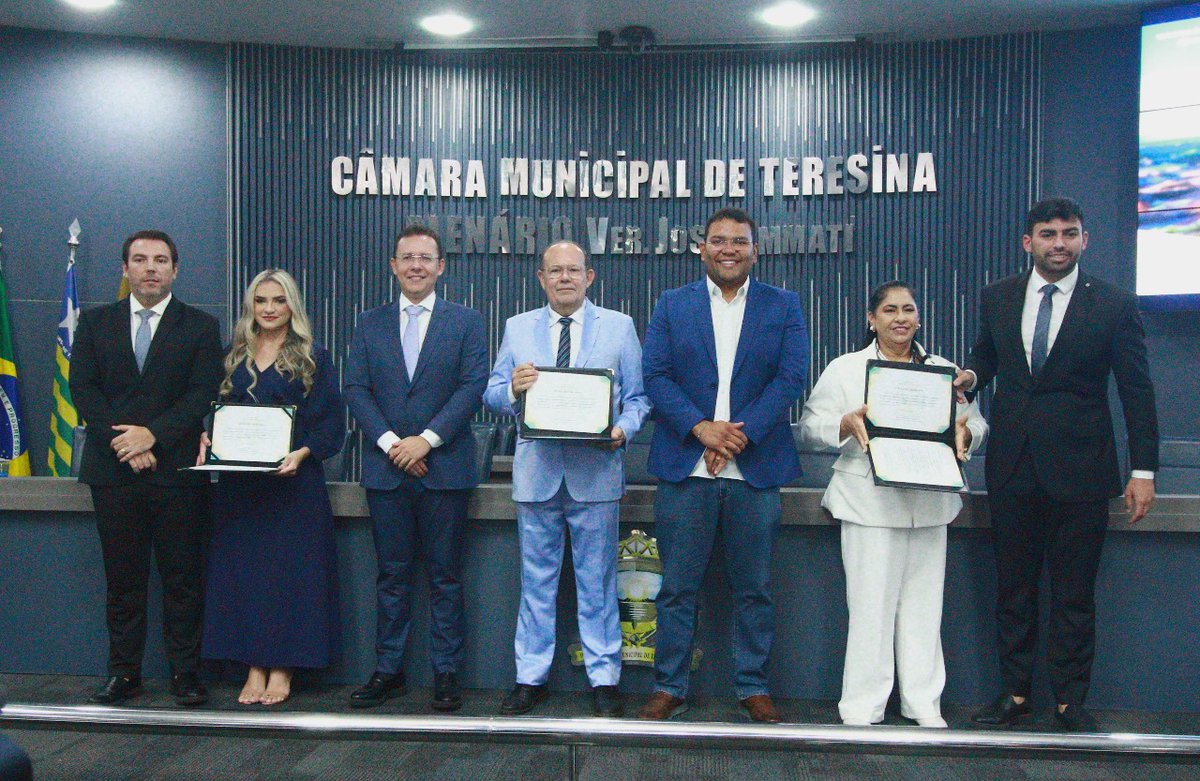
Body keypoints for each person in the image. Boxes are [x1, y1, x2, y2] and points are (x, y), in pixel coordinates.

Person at [955, 197, 1158, 732]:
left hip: (1083, 472)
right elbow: (986, 356)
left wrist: (1145, 470)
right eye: (1048, 234)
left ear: (1084, 241)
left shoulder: (1113, 304)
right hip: (1014, 468)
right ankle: (1016, 696)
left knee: (1074, 594)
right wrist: (972, 377)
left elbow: (1137, 390)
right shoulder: (998, 297)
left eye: (1070, 233)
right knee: (1013, 590)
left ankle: (1070, 702)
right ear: (1029, 243)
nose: (1059, 243)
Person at [637, 207, 808, 723]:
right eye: (718, 241)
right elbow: (656, 374)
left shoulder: (784, 305)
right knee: (676, 589)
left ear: (755, 250)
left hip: (755, 468)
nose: (728, 249)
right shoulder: (673, 304)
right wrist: (701, 428)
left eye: (739, 241)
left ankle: (753, 686)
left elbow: (790, 377)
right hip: (686, 467)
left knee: (754, 589)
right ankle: (669, 686)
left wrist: (737, 435)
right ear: (702, 248)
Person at [799, 281, 988, 728]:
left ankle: (924, 705)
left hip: (929, 503)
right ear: (872, 319)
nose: (900, 318)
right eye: (889, 310)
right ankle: (863, 710)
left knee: (925, 611)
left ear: (919, 318)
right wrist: (843, 424)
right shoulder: (847, 369)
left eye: (908, 309)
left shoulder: (945, 370)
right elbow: (809, 426)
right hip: (869, 505)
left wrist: (968, 433)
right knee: (870, 610)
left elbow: (977, 424)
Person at [484, 241, 650, 717]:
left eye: (573, 270)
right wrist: (511, 389)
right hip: (537, 476)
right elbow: (492, 392)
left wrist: (624, 428)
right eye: (554, 271)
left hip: (596, 475)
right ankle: (529, 677)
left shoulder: (619, 328)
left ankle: (604, 679)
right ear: (541, 278)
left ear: (589, 277)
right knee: (536, 583)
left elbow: (638, 399)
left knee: (597, 582)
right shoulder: (518, 328)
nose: (564, 278)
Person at [70, 229, 223, 706]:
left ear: (175, 270)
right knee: (123, 579)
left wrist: (152, 435)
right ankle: (124, 673)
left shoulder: (199, 326)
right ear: (125, 268)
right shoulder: (95, 324)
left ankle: (185, 674)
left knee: (182, 577)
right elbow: (85, 392)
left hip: (175, 470)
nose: (150, 268)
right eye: (140, 259)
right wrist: (127, 444)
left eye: (160, 260)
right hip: (114, 472)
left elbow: (201, 393)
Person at [344, 224, 489, 712]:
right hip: (387, 471)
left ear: (441, 266)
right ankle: (389, 670)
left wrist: (424, 442)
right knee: (392, 575)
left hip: (445, 468)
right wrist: (392, 445)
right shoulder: (369, 323)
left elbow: (471, 388)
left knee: (446, 576)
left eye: (426, 258)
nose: (416, 266)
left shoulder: (467, 322)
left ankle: (446, 673)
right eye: (406, 257)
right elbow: (356, 390)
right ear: (393, 265)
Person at [199, 269, 344, 706]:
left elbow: (332, 426)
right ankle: (253, 665)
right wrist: (208, 437)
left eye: (278, 301)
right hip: (241, 492)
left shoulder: (313, 356)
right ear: (250, 306)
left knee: (289, 579)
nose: (268, 309)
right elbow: (213, 412)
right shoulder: (232, 354)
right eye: (260, 301)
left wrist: (301, 454)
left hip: (293, 489)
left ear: (291, 306)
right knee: (245, 578)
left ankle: (282, 668)